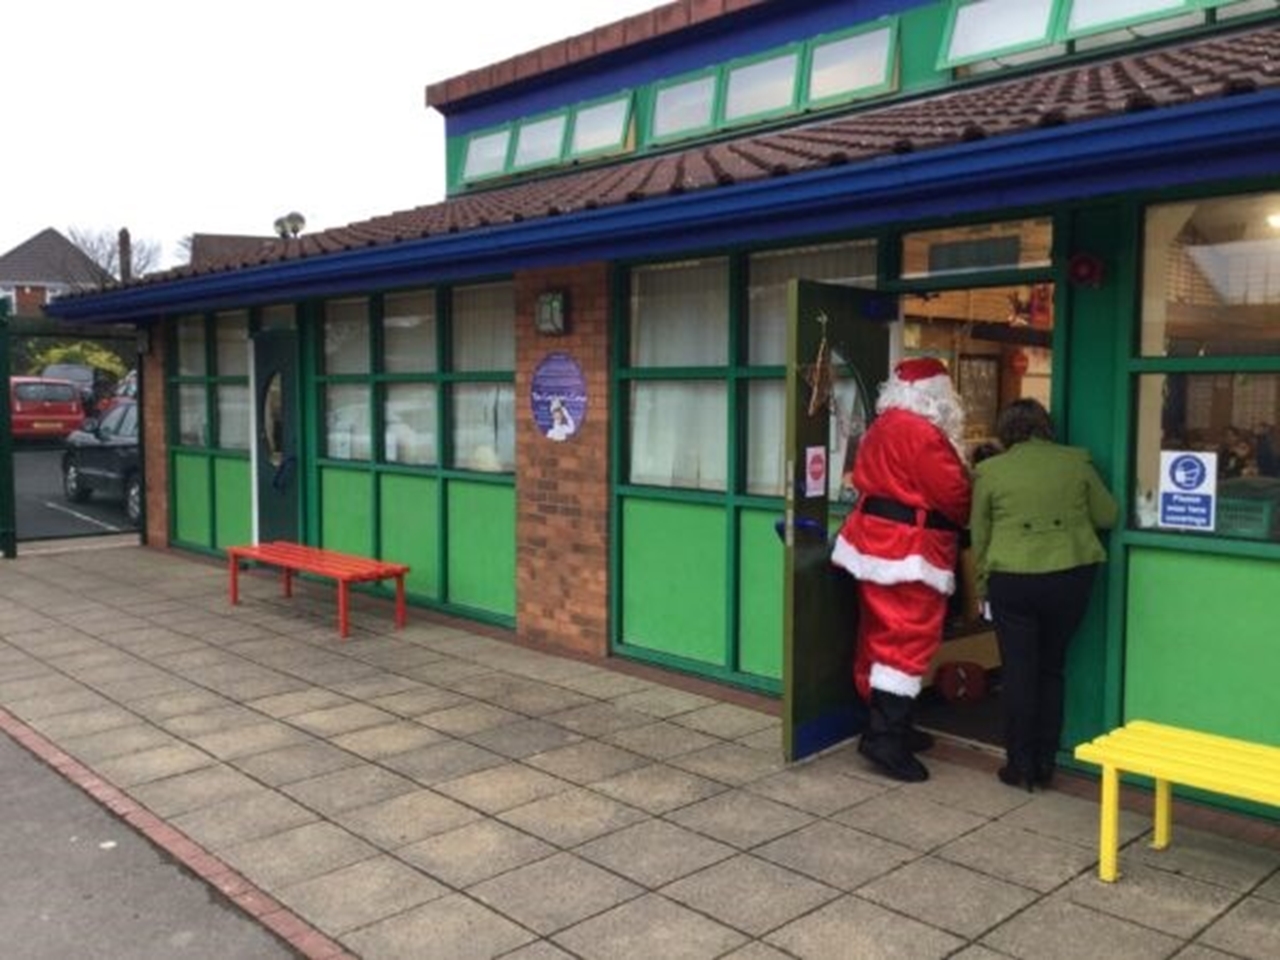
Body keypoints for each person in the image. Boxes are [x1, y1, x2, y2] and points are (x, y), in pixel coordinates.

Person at [831, 357, 972, 782]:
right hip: (909, 551)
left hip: (873, 542)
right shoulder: (923, 434)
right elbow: (954, 495)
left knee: (878, 636)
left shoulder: (882, 426)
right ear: (935, 395)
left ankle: (890, 726)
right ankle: (884, 738)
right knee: (908, 639)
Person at [969, 398, 1117, 791]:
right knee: (1051, 669)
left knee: (1018, 672)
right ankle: (1046, 764)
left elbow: (979, 536)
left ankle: (1019, 766)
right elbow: (1108, 515)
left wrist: (982, 586)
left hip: (1012, 579)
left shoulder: (990, 471)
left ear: (1006, 432)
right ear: (1045, 428)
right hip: (1070, 574)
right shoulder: (1075, 462)